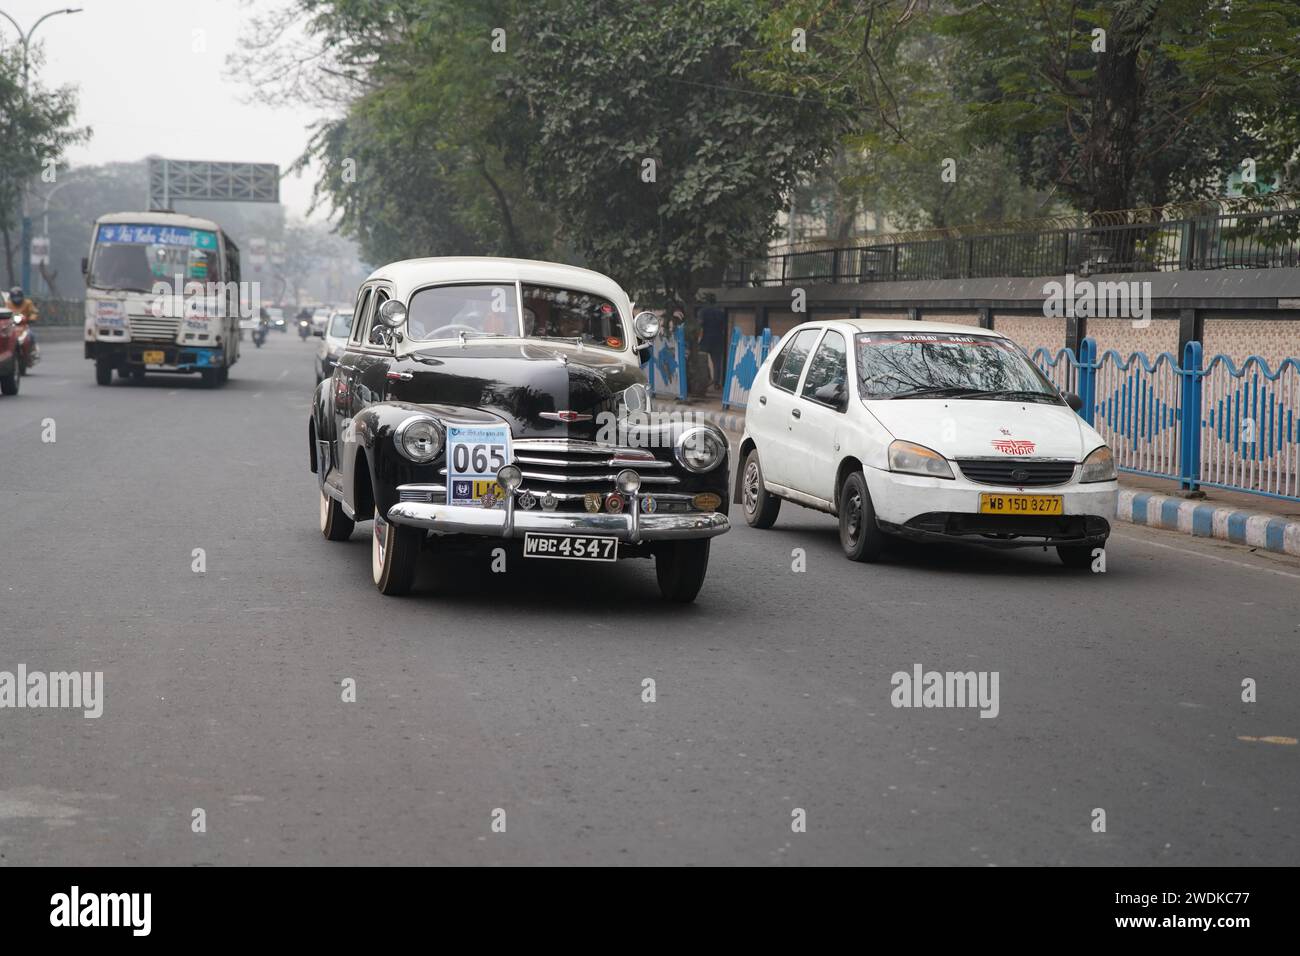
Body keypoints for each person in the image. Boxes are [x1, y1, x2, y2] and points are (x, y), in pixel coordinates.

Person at [5, 287, 39, 360]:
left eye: (18, 297)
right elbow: (5, 312)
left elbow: (33, 312)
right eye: (14, 297)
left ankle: (34, 351)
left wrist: (32, 318)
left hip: (24, 325)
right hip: (11, 326)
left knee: (31, 335)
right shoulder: (8, 304)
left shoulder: (28, 303)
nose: (17, 299)